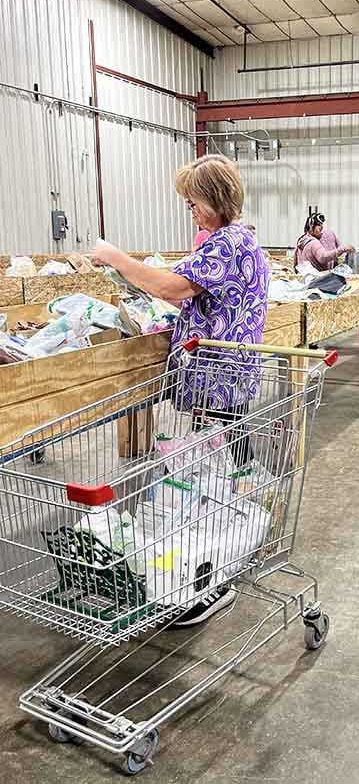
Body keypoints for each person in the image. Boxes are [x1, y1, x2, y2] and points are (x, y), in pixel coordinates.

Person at [92, 153, 269, 627]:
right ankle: (229, 547)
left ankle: (216, 571)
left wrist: (117, 259)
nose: (190, 210)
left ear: (213, 199)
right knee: (221, 461)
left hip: (217, 372)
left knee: (214, 471)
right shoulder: (239, 240)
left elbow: (174, 287)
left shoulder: (228, 243)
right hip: (224, 371)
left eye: (192, 203)